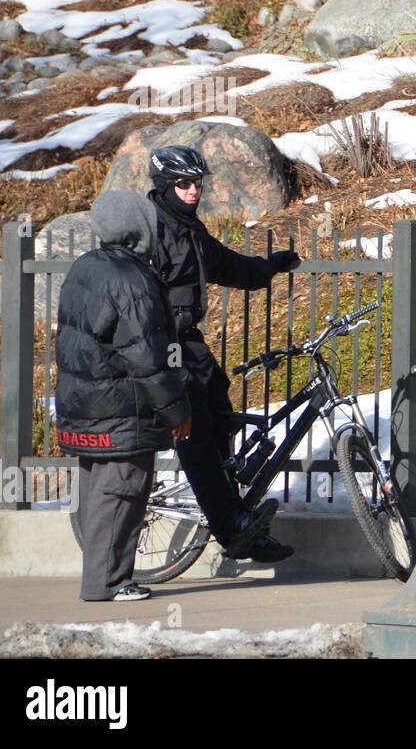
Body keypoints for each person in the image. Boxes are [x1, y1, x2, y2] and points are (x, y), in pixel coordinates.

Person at [147, 145, 302, 563]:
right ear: (164, 185)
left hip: (188, 342)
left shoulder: (189, 229)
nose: (193, 190)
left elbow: (229, 266)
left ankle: (237, 519)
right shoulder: (150, 231)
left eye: (198, 183)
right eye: (183, 183)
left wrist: (269, 266)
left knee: (221, 412)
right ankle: (227, 524)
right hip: (161, 344)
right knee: (195, 430)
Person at [56, 191, 192, 601]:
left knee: (99, 496)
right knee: (122, 495)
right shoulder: (133, 279)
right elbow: (148, 357)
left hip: (87, 405)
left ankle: (105, 579)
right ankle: (109, 583)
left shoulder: (86, 267)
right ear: (140, 229)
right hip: (123, 408)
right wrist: (176, 410)